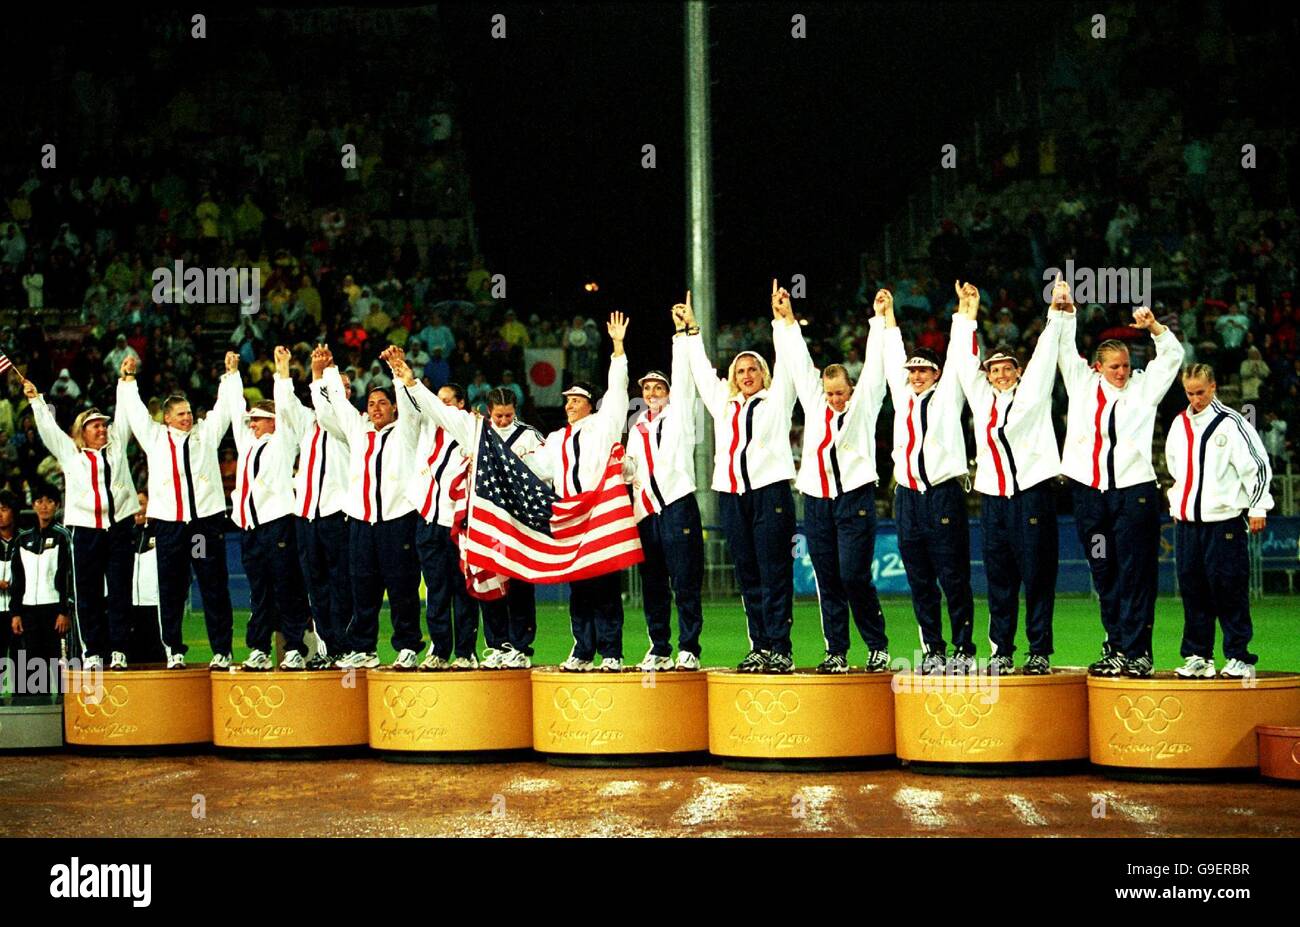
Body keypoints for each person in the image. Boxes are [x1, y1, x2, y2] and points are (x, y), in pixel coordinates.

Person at [1056, 282, 1185, 677]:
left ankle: (1139, 652)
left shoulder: (1144, 387)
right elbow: (1061, 349)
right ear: (1097, 366)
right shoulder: (1081, 384)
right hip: (1090, 499)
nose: (1122, 373)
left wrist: (1155, 328)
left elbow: (1174, 357)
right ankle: (1115, 646)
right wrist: (1065, 310)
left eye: (1126, 365)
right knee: (1103, 568)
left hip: (1134, 496)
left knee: (1136, 572)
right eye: (1114, 367)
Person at [680, 282, 798, 673]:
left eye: (752, 369)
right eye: (740, 370)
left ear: (764, 374)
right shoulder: (724, 403)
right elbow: (701, 372)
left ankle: (780, 647)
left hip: (770, 493)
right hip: (731, 495)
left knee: (774, 571)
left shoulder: (777, 398)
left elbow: (790, 363)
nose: (746, 375)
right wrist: (691, 330)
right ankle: (760, 646)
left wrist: (783, 321)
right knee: (748, 575)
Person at [950, 280, 1064, 675]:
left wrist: (1056, 310)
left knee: (1037, 576)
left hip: (1032, 494)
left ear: (1017, 370)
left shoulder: (1033, 389)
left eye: (1005, 368)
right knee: (999, 578)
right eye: (993, 369)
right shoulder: (981, 398)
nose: (999, 374)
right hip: (993, 499)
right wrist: (967, 315)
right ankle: (1001, 649)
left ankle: (1039, 650)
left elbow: (1047, 354)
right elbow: (964, 362)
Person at [779, 288, 891, 674]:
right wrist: (788, 320)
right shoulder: (815, 402)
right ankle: (837, 652)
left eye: (840, 392)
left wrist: (879, 319)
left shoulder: (864, 404)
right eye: (829, 394)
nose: (835, 399)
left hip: (855, 498)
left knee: (853, 575)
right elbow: (798, 362)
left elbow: (876, 366)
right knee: (827, 579)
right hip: (817, 501)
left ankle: (877, 646)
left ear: (851, 389)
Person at [116, 353, 243, 669]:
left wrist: (230, 375)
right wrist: (129, 380)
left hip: (202, 526)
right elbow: (134, 413)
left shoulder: (206, 433)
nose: (187, 418)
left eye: (189, 412)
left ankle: (222, 651)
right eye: (181, 414)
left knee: (212, 584)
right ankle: (173, 650)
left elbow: (224, 409)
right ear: (167, 418)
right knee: (171, 589)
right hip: (170, 525)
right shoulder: (155, 437)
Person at [532, 312, 631, 672]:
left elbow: (618, 392)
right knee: (579, 590)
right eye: (567, 400)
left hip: (598, 514)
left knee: (605, 587)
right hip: (569, 517)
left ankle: (612, 653)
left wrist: (618, 349)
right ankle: (583, 651)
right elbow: (536, 469)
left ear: (590, 402)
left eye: (575, 399)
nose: (569, 404)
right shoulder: (556, 438)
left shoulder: (604, 426)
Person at [313, 346, 423, 669]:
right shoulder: (358, 432)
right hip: (361, 521)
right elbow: (336, 406)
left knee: (402, 587)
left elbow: (410, 407)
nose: (376, 409)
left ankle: (407, 647)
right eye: (371, 404)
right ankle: (364, 648)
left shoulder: (405, 432)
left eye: (383, 403)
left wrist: (397, 371)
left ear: (393, 409)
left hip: (396, 520)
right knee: (363, 588)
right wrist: (329, 370)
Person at [883, 291, 975, 674]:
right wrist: (886, 316)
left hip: (942, 494)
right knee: (920, 580)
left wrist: (965, 314)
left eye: (923, 370)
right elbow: (891, 358)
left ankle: (964, 650)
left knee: (953, 576)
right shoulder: (903, 397)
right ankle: (933, 649)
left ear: (936, 373)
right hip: (907, 498)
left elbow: (957, 355)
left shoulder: (948, 396)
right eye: (913, 371)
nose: (916, 376)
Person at [24, 374, 139, 670]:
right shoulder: (70, 453)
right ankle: (92, 652)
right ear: (81, 432)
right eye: (95, 426)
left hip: (120, 527)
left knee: (119, 591)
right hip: (85, 530)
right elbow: (49, 429)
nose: (102, 429)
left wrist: (126, 382)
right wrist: (36, 400)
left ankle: (119, 651)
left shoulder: (117, 448)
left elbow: (125, 415)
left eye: (104, 424)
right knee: (87, 593)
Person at [1165, 364, 1273, 679]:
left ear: (1213, 387)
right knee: (1192, 588)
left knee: (1228, 588)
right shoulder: (1179, 424)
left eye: (1201, 392)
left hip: (1224, 522)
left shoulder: (1233, 424)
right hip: (1187, 524)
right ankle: (1199, 656)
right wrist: (1177, 502)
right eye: (1190, 393)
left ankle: (1239, 656)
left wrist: (1258, 507)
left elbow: (1258, 466)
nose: (1196, 398)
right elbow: (1175, 470)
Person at [382, 351, 479, 671]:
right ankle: (439, 649)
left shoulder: (466, 425)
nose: (441, 404)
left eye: (448, 400)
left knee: (463, 591)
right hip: (428, 520)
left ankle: (465, 651)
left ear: (461, 404)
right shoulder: (426, 430)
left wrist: (414, 383)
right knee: (436, 591)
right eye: (439, 399)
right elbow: (412, 411)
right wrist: (399, 380)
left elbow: (434, 409)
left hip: (459, 523)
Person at [623, 294, 704, 672]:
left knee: (684, 582)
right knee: (653, 584)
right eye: (647, 389)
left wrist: (681, 334)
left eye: (659, 388)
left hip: (675, 505)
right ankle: (659, 646)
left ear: (669, 392)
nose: (652, 394)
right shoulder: (636, 427)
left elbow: (685, 378)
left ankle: (689, 647)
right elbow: (632, 470)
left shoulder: (680, 415)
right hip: (646, 513)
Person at [224, 350, 311, 671]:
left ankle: (294, 649)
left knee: (286, 586)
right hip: (250, 526)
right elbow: (235, 412)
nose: (252, 424)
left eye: (258, 419)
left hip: (279, 522)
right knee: (258, 591)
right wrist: (232, 376)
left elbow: (286, 405)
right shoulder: (247, 443)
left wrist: (282, 370)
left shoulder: (285, 440)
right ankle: (259, 648)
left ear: (273, 421)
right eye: (252, 420)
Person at [280, 346, 356, 668]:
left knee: (342, 585)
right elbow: (285, 405)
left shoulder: (353, 424)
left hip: (337, 514)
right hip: (307, 514)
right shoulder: (308, 423)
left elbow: (329, 409)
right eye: (337, 385)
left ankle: (347, 647)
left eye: (346, 386)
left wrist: (319, 375)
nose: (342, 391)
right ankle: (327, 649)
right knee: (316, 586)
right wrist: (283, 369)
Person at [10, 484, 74, 688]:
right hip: (29, 611)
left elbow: (68, 575)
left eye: (49, 501)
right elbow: (17, 578)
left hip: (54, 610)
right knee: (31, 667)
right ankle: (35, 712)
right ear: (33, 505)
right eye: (39, 501)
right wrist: (16, 612)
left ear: (57, 505)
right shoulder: (23, 539)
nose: (44, 506)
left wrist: (64, 610)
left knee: (58, 667)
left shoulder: (63, 536)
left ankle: (64, 713)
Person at [127, 491, 166, 664]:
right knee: (134, 657)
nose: (138, 509)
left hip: (156, 604)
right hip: (131, 606)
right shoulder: (126, 535)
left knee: (158, 655)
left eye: (141, 503)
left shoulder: (162, 533)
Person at [0, 490, 20, 673]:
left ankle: (21, 700)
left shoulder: (24, 540)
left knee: (18, 663)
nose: (0, 514)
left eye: (4, 509)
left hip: (17, 612)